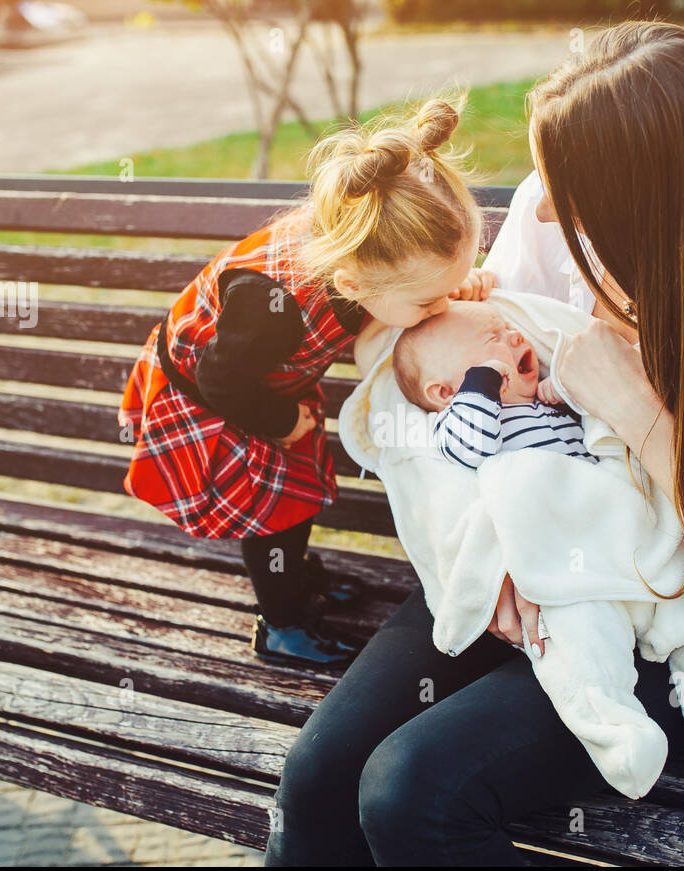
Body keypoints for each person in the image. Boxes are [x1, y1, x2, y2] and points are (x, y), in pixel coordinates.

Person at [265, 20, 684, 865]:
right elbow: (427, 387)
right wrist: (482, 552)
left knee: (412, 792)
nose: (546, 215)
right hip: (514, 567)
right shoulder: (551, 217)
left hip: (667, 613)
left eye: (571, 198)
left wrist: (640, 412)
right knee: (318, 774)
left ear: (655, 209)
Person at [118, 97, 487, 668]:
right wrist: (284, 422)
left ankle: (295, 577)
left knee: (293, 503)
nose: (438, 305)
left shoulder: (367, 240)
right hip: (211, 395)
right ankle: (282, 625)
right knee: (275, 510)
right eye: (427, 299)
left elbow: (397, 295)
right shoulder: (273, 309)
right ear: (352, 281)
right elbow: (220, 375)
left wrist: (453, 289)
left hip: (259, 383)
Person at [391, 299, 595, 468]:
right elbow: (470, 449)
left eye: (508, 328)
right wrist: (485, 378)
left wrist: (564, 391)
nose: (516, 336)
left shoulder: (542, 400)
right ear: (445, 392)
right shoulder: (454, 424)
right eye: (493, 338)